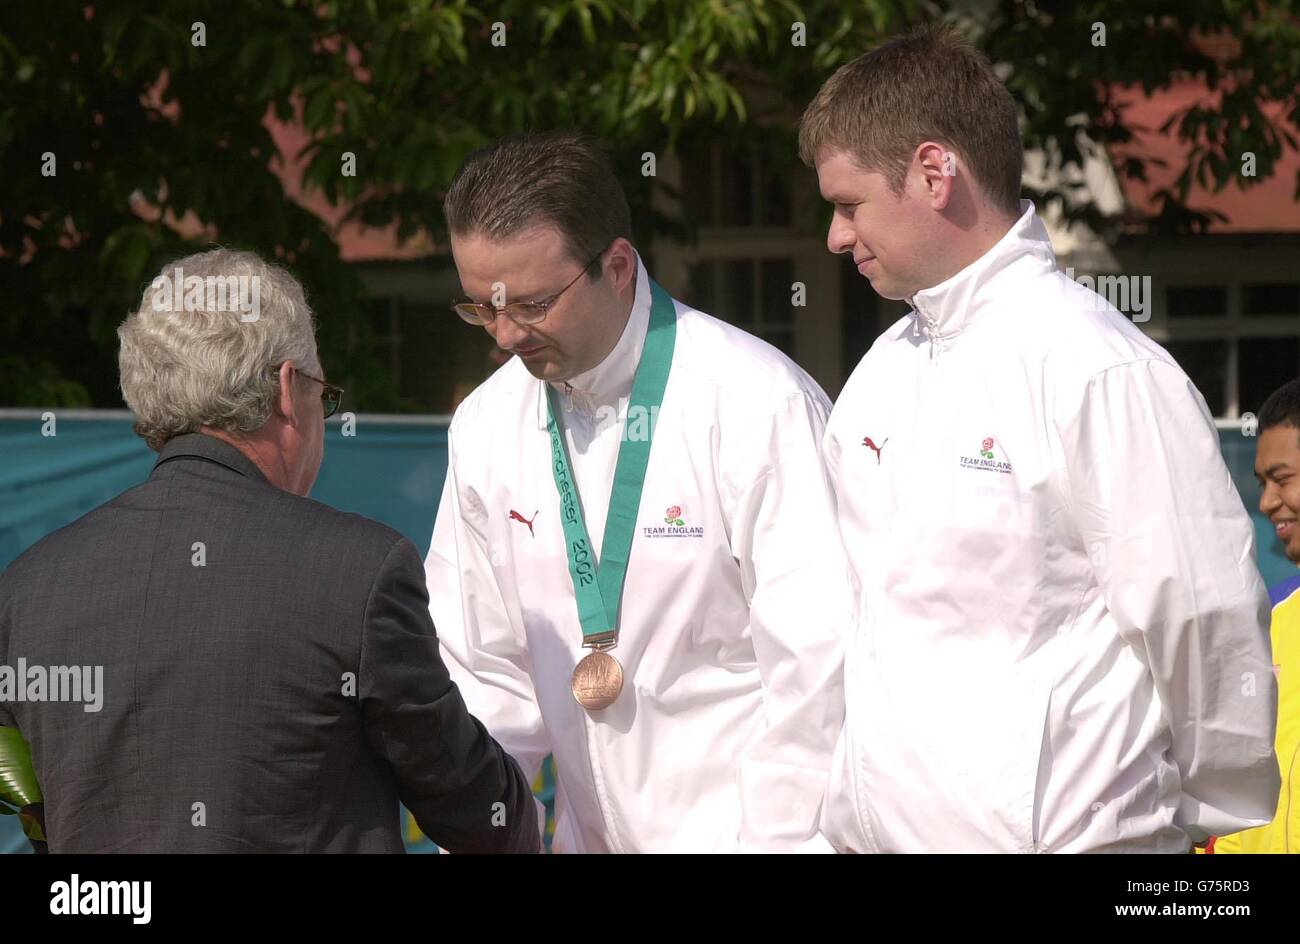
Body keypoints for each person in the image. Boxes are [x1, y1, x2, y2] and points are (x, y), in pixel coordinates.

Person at [800, 26, 1278, 852]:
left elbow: (1199, 614)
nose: (837, 238)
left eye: (850, 204)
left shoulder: (1099, 368)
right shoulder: (881, 371)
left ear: (934, 171)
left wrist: (1192, 820)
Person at [0, 249, 537, 853]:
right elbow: (478, 813)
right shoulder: (356, 572)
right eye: (323, 395)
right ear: (287, 389)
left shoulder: (27, 589)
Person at [424, 131, 849, 852]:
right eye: (479, 308)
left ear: (617, 266)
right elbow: (484, 672)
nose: (502, 336)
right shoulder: (487, 426)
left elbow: (820, 676)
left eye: (529, 305)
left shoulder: (754, 404)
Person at [1210, 378, 1300, 853]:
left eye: (1282, 479)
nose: (1265, 503)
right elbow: (1237, 816)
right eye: (1263, 483)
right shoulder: (1265, 624)